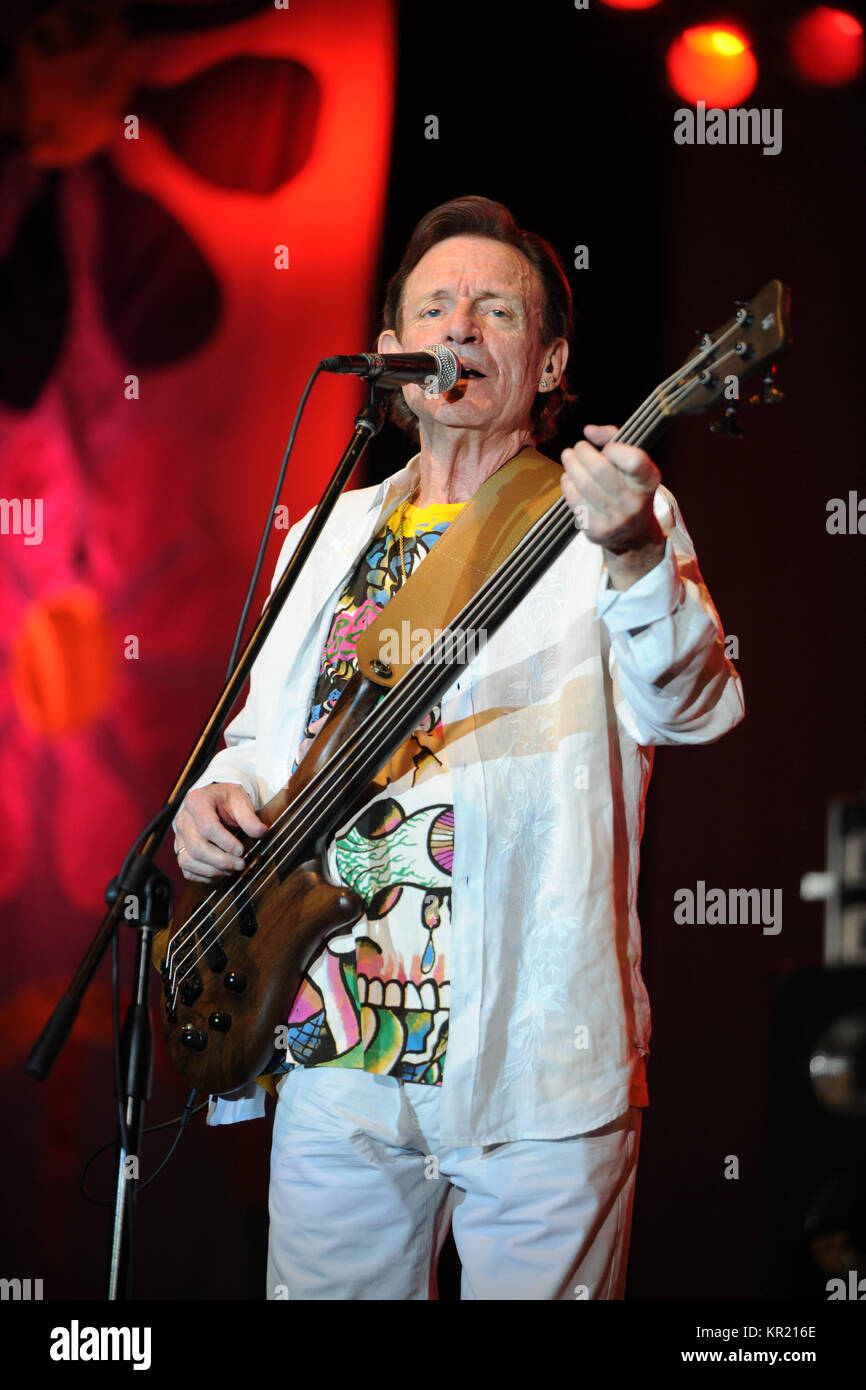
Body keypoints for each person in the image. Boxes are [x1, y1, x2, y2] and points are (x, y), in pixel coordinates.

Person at [172, 195, 744, 1300]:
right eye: (432, 308)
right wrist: (216, 797)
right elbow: (257, 742)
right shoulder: (328, 532)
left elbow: (694, 707)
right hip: (335, 1043)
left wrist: (630, 552)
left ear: (549, 362)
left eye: (494, 310)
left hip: (533, 1057)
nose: (459, 328)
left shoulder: (601, 524)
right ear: (388, 356)